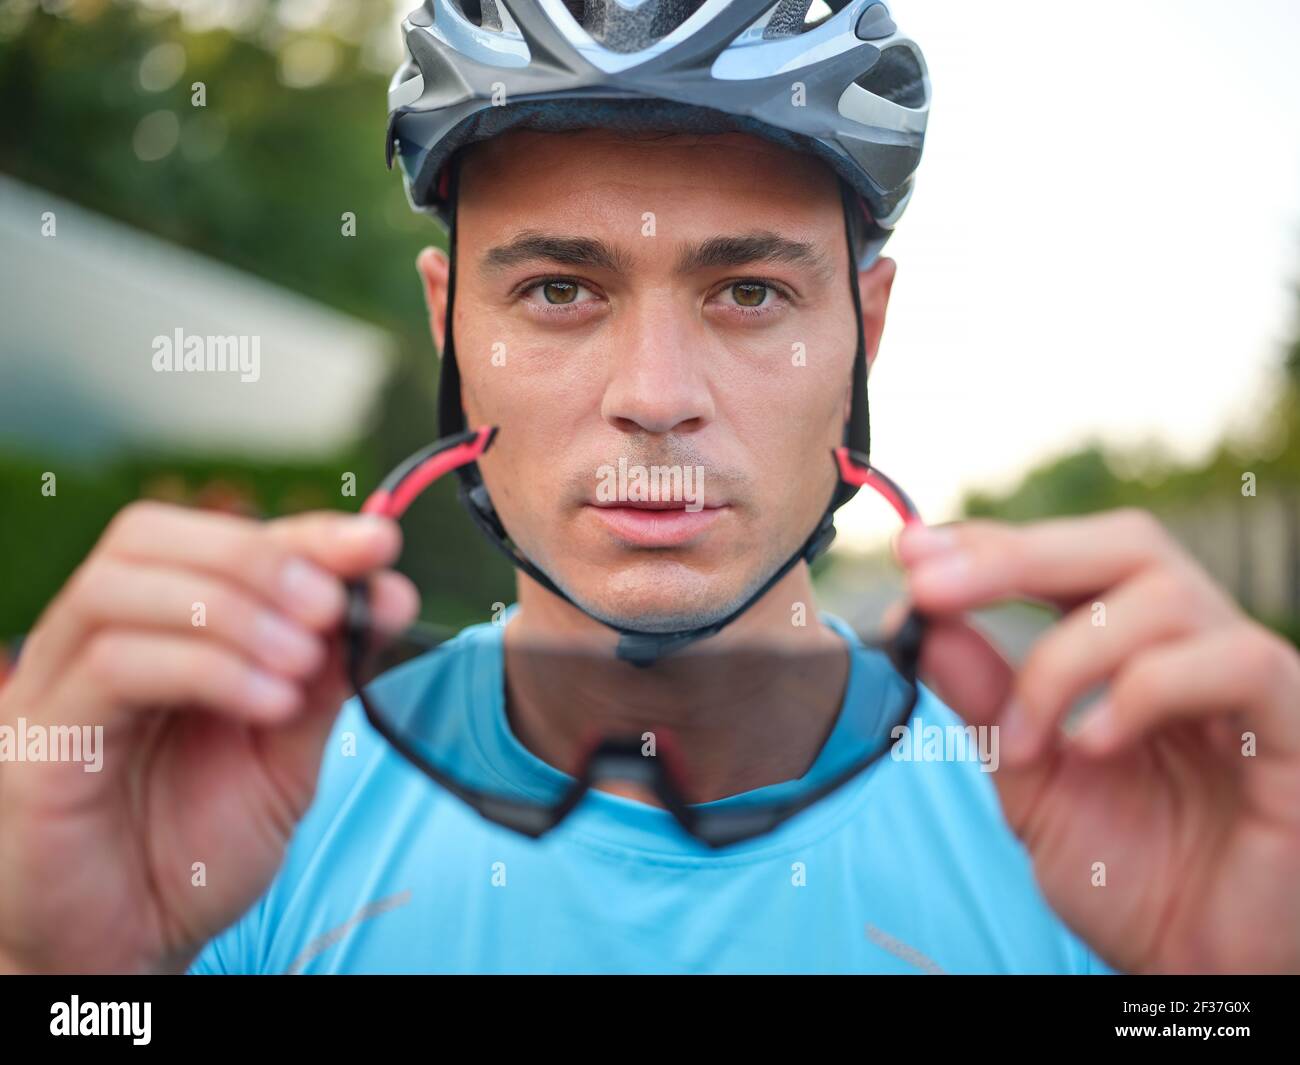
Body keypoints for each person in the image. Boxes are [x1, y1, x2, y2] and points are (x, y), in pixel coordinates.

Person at [2, 0, 1298, 975]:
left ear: (869, 328)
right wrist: (52, 983)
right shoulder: (236, 807)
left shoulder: (1102, 830)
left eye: (749, 291)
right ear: (450, 325)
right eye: (559, 290)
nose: (656, 391)